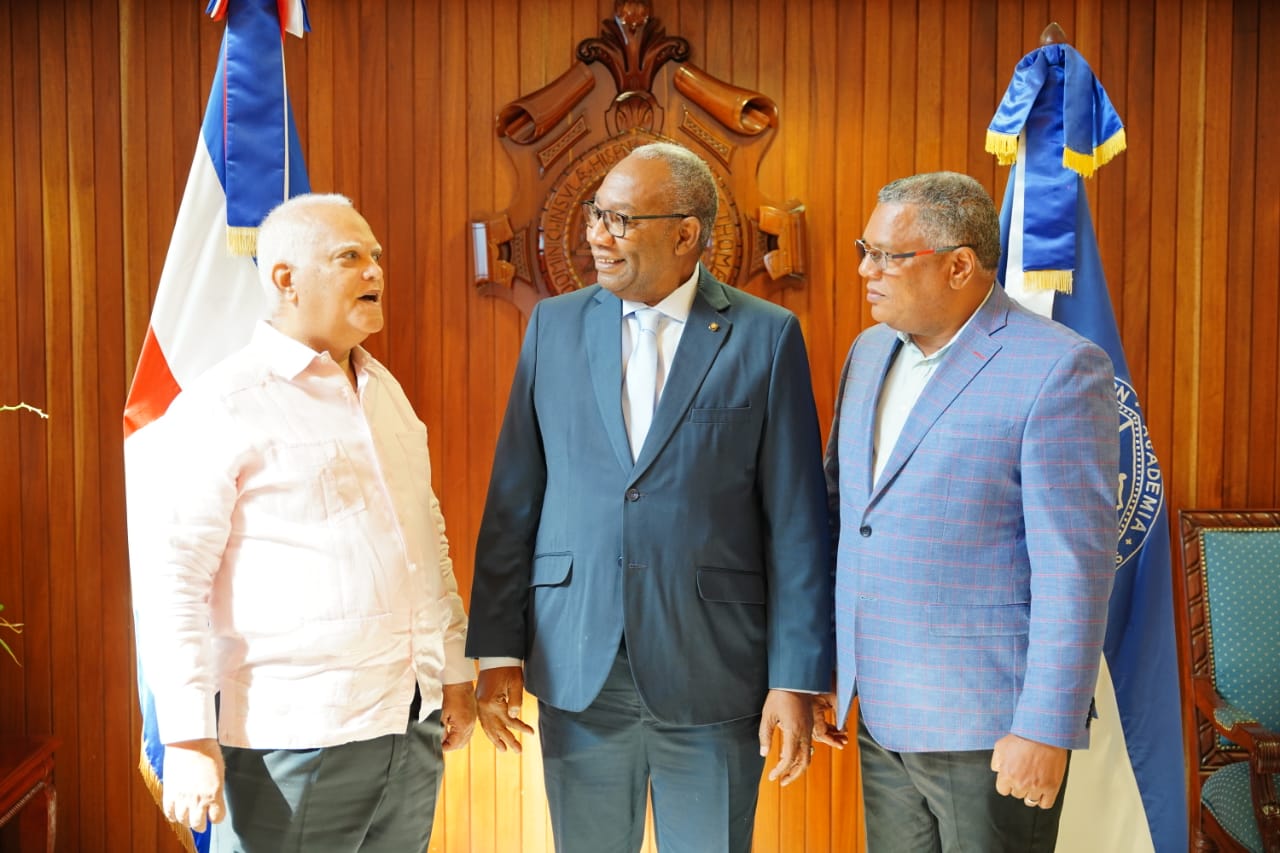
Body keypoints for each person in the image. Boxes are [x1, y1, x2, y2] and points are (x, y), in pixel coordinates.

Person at [466, 142, 832, 852]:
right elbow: (515, 493)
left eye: (621, 220)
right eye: (597, 214)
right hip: (577, 664)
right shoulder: (555, 325)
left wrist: (795, 675)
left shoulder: (767, 335)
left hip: (716, 672)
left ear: (686, 233)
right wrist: (497, 649)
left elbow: (795, 522)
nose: (596, 235)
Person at [127, 193, 476, 851]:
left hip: (409, 721)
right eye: (350, 257)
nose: (375, 272)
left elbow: (426, 543)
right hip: (292, 738)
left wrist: (452, 671)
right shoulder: (224, 402)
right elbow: (173, 580)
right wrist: (186, 734)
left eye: (376, 257)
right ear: (284, 278)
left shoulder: (386, 393)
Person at [815, 171, 1119, 852]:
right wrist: (827, 664)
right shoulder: (869, 353)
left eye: (890, 255)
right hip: (881, 712)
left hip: (993, 725)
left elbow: (1074, 569)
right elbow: (845, 519)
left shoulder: (1060, 368)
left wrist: (1044, 725)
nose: (867, 269)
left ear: (958, 265)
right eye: (866, 248)